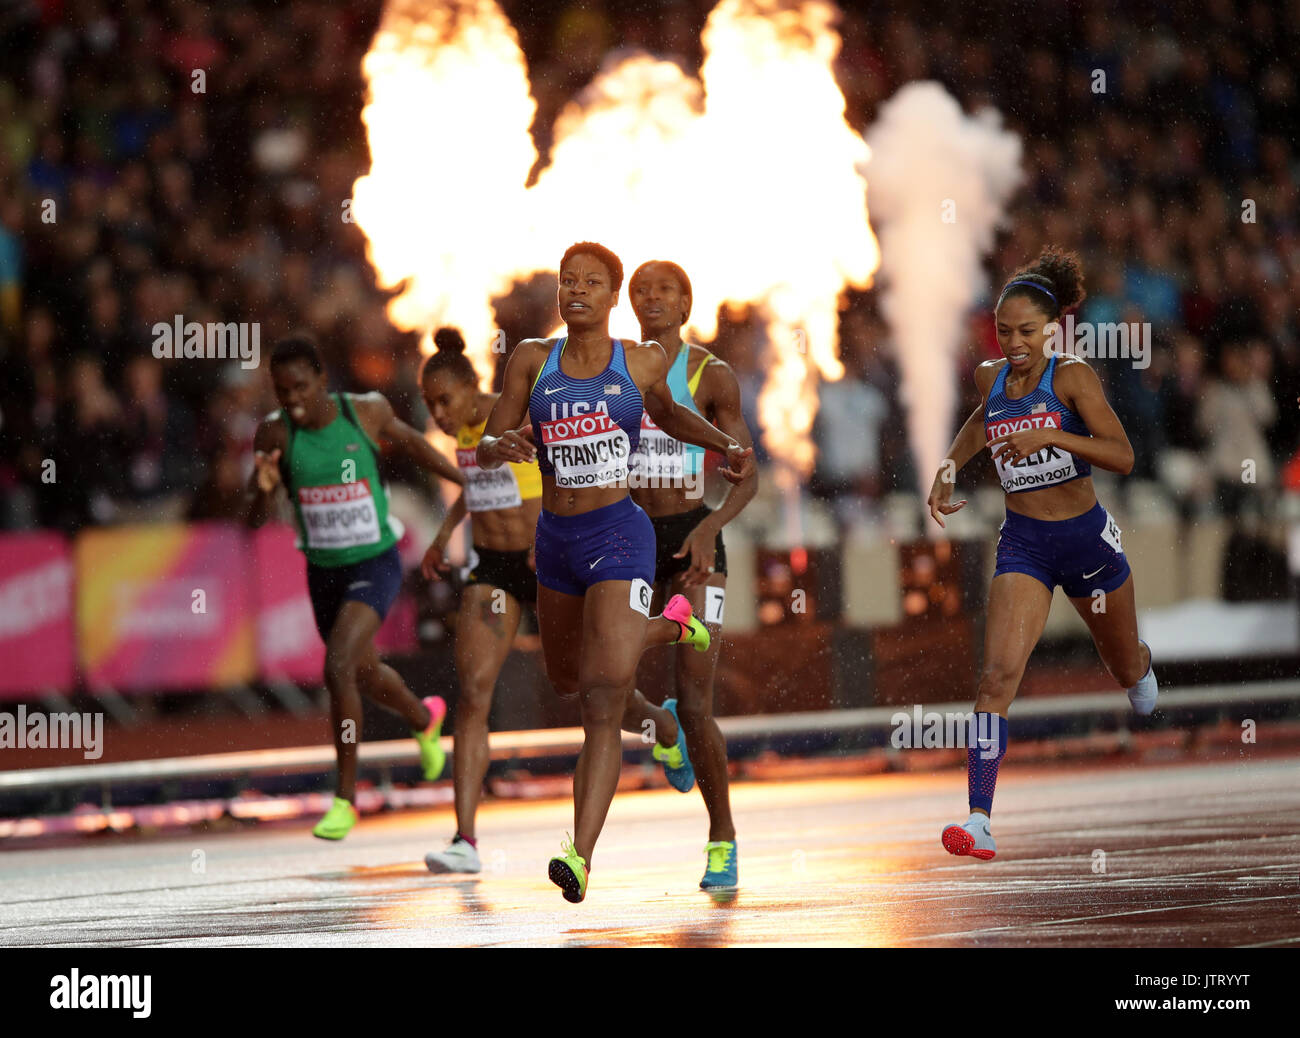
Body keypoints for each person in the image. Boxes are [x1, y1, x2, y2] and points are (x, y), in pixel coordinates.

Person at [476, 242, 755, 902]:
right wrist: (496, 445)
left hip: (671, 535)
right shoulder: (531, 360)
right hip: (565, 537)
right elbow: (486, 443)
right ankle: (662, 676)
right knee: (570, 678)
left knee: (668, 699)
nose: (576, 291)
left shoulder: (674, 366)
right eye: (567, 281)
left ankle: (712, 837)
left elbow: (670, 417)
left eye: (591, 283)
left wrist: (721, 470)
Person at [925, 247, 1158, 862]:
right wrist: (950, 465)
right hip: (1024, 545)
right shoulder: (989, 376)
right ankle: (979, 819)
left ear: (1051, 330)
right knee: (997, 678)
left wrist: (1053, 432)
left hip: (1086, 542)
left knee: (1128, 673)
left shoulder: (1073, 377)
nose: (1014, 343)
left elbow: (1123, 456)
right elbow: (983, 420)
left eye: (1027, 331)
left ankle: (1139, 661)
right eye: (1004, 332)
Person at [246, 333, 465, 840]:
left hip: (376, 561)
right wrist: (262, 490)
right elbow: (253, 520)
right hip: (324, 571)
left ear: (323, 379)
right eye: (283, 392)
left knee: (338, 664)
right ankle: (422, 715)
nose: (293, 399)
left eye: (301, 386)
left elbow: (411, 443)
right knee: (362, 671)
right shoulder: (274, 435)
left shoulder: (363, 413)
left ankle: (345, 799)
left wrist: (465, 479)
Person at [625, 260, 758, 889]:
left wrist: (709, 527)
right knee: (602, 681)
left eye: (664, 291)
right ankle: (661, 724)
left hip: (694, 543)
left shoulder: (713, 375)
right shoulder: (613, 366)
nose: (652, 299)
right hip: (626, 540)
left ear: (686, 303)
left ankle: (722, 839)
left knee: (700, 697)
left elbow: (746, 471)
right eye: (641, 291)